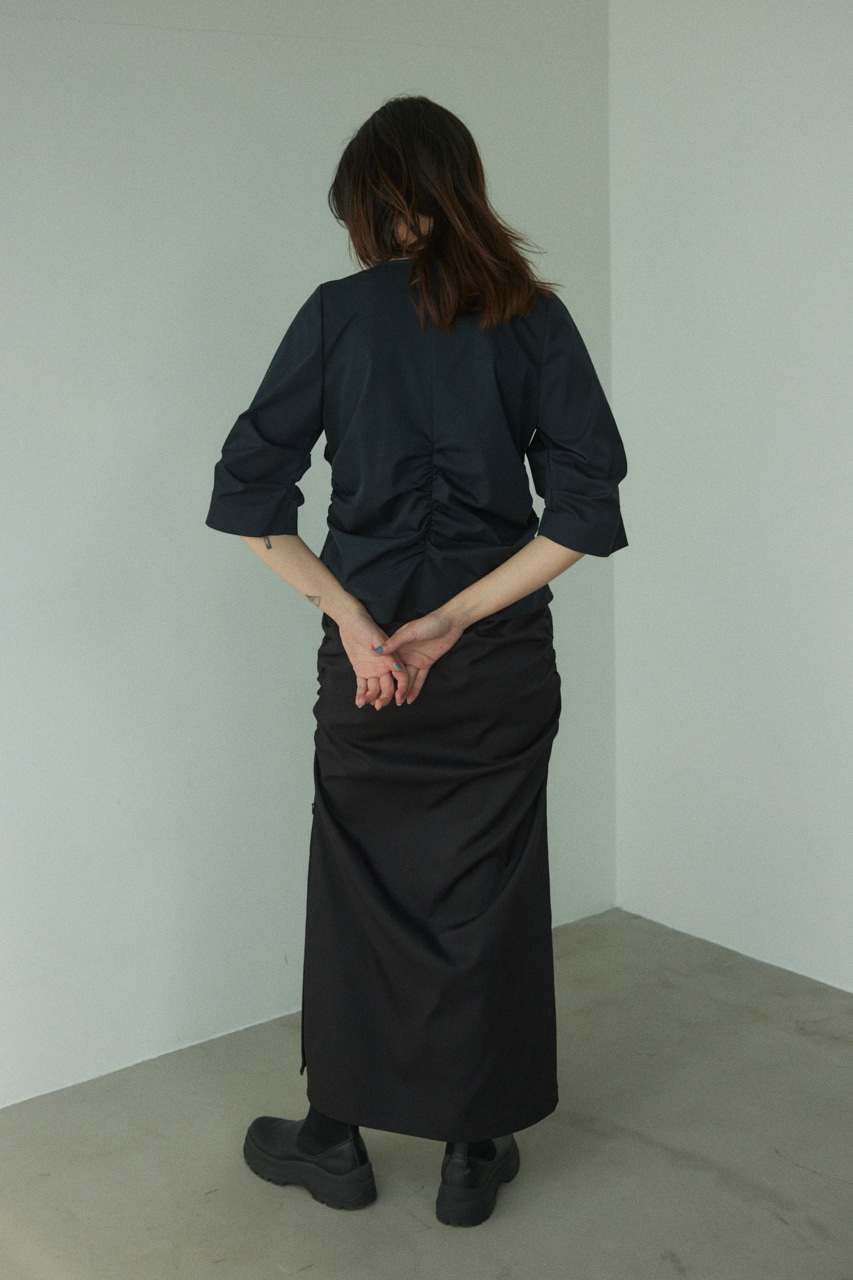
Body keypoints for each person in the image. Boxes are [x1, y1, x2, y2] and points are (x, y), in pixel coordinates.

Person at [204, 94, 628, 1228]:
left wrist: (354, 618)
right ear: (462, 187)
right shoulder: (533, 318)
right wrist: (458, 620)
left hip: (370, 665)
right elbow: (584, 511)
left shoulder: (337, 315)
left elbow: (249, 494)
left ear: (366, 201)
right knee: (487, 894)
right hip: (493, 663)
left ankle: (335, 1139)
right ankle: (470, 1149)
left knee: (357, 890)